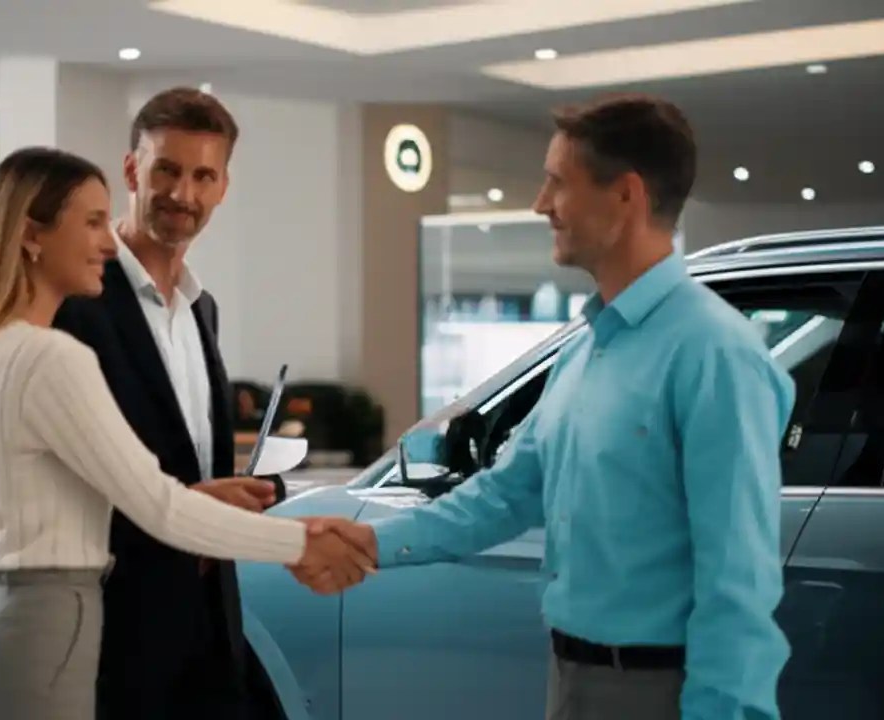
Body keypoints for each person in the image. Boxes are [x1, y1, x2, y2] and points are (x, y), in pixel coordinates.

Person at [305, 95, 795, 720]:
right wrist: (371, 540)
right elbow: (507, 494)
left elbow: (739, 586)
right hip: (571, 678)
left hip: (660, 692)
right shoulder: (584, 350)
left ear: (626, 197)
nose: (541, 204)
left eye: (557, 183)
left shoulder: (716, 354)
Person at [0, 146, 371, 720]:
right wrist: (300, 543)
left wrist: (189, 501)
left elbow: (105, 498)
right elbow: (159, 508)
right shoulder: (49, 357)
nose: (109, 243)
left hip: (7, 634)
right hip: (37, 641)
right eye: (90, 222)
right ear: (31, 235)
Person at [49, 87, 277, 719]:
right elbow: (61, 478)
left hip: (210, 621)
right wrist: (182, 511)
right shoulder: (76, 306)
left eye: (204, 175)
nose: (184, 194)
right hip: (120, 625)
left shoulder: (203, 311)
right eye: (167, 170)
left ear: (224, 186)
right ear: (132, 170)